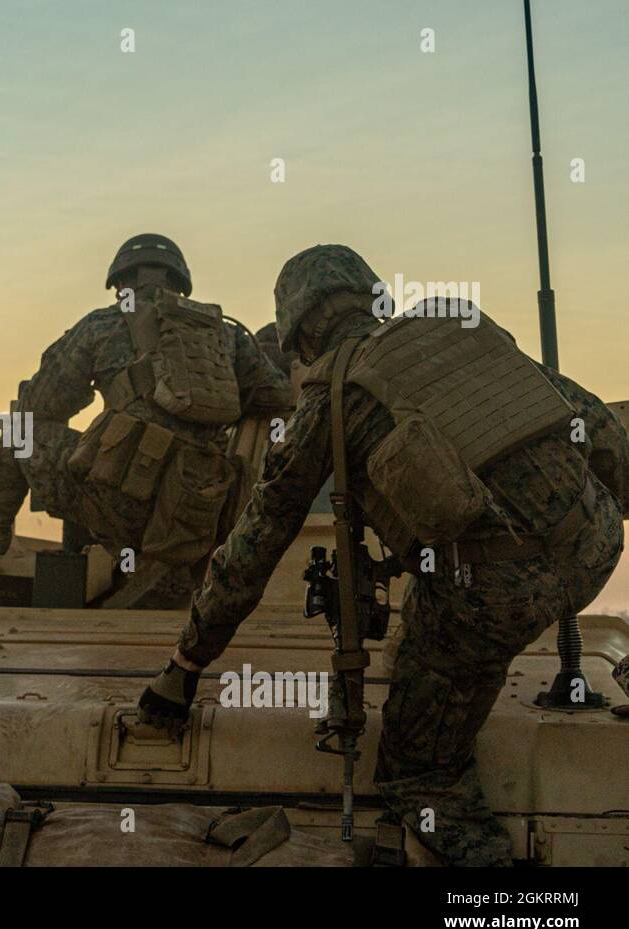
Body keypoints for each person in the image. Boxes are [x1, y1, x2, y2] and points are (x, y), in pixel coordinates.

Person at [139, 243, 628, 864]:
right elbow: (598, 430)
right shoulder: (461, 330)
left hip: (493, 599)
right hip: (599, 543)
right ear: (373, 297)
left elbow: (253, 548)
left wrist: (183, 668)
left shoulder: (327, 401)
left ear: (301, 331)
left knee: (417, 773)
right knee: (441, 601)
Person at [0, 233, 292, 609]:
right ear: (181, 286)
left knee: (19, 431)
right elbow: (278, 396)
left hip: (122, 501)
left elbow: (40, 404)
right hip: (199, 512)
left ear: (121, 283)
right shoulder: (227, 335)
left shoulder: (101, 326)